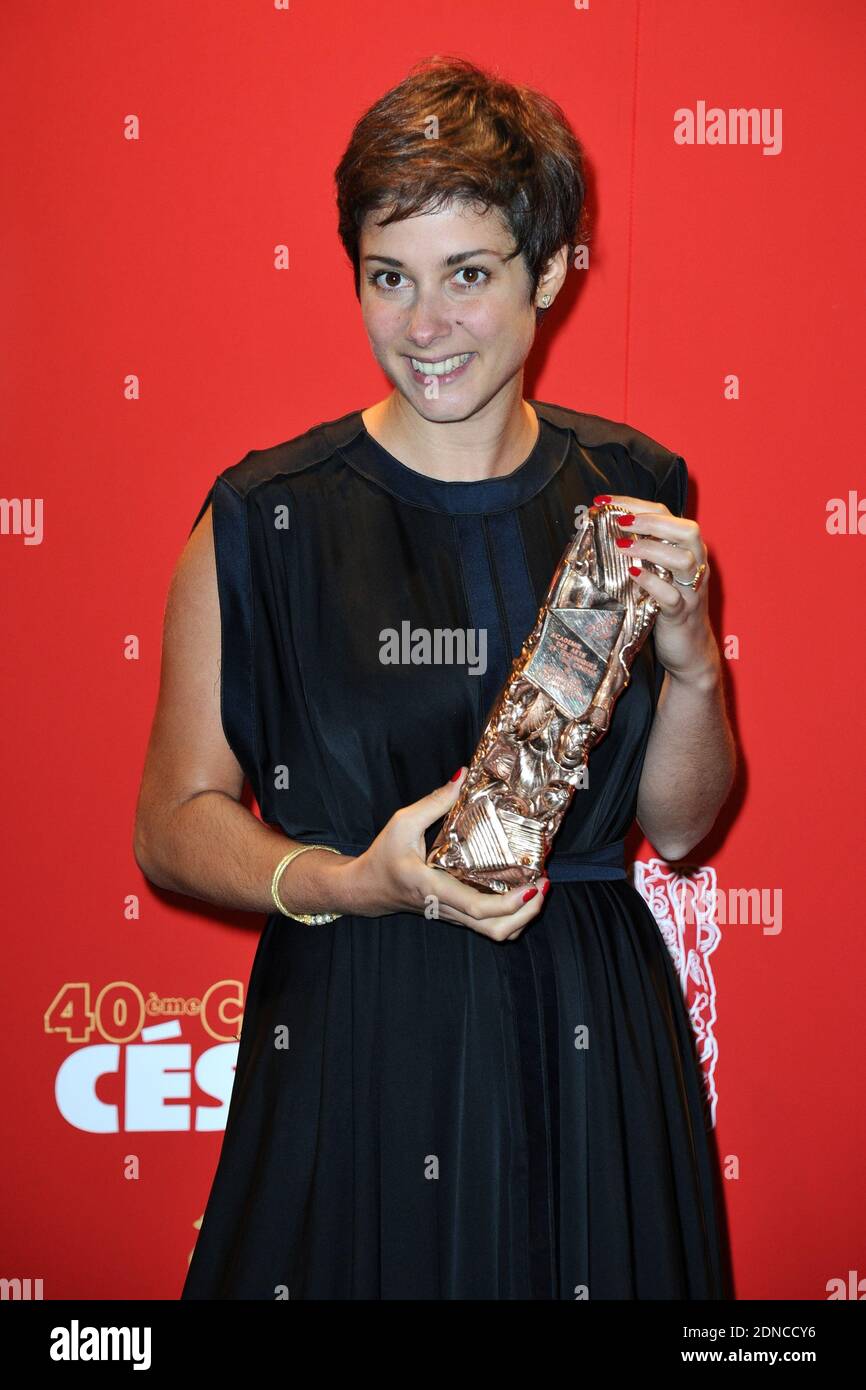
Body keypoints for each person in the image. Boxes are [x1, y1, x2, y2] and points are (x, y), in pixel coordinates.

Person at [134, 54, 736, 1300]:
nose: (421, 326)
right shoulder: (263, 517)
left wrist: (691, 664)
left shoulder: (636, 495)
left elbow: (677, 829)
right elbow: (171, 825)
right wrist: (349, 880)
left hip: (588, 1045)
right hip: (359, 1026)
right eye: (387, 277)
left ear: (551, 270)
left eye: (467, 275)